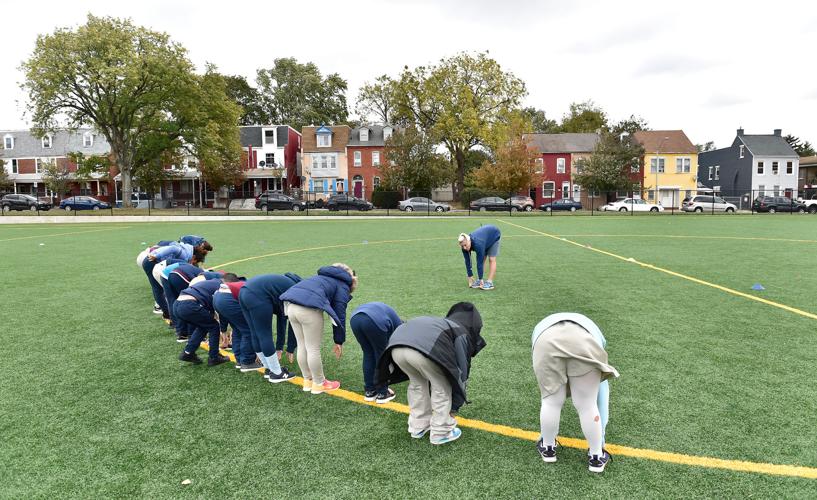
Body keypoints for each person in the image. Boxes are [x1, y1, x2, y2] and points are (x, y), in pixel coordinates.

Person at [375, 302, 486, 445]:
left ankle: (418, 427)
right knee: (441, 387)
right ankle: (441, 432)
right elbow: (462, 374)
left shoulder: (442, 323)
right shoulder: (461, 331)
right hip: (422, 350)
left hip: (395, 347)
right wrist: (455, 406)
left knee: (416, 384)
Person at [531, 313, 619, 473]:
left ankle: (548, 448)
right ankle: (596, 456)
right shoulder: (596, 336)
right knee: (587, 405)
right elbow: (602, 394)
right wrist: (601, 439)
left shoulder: (540, 327)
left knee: (551, 402)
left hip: (545, 341)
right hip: (585, 344)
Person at [280, 263, 357, 395]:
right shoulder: (342, 284)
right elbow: (340, 314)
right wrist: (339, 341)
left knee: (302, 345)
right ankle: (319, 384)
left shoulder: (320, 277)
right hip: (308, 309)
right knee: (313, 348)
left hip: (290, 307)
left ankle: (307, 382)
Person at [238, 273, 302, 383]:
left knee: (255, 333)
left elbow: (282, 319)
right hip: (257, 295)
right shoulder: (295, 291)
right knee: (264, 334)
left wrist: (280, 347)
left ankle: (269, 369)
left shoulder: (282, 283)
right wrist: (290, 348)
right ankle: (277, 373)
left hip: (243, 292)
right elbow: (293, 322)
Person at [176, 273, 238, 366]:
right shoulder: (221, 287)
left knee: (203, 327)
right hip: (189, 304)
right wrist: (223, 330)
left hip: (178, 304)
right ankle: (214, 357)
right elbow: (220, 309)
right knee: (214, 327)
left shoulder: (212, 282)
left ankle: (188, 353)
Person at [349, 302, 402, 403]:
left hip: (355, 319)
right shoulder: (399, 327)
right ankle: (383, 393)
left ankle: (370, 391)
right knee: (382, 356)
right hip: (373, 320)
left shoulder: (393, 318)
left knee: (368, 353)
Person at [144, 241, 208, 322]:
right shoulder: (185, 254)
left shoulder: (189, 251)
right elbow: (173, 248)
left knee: (169, 294)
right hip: (152, 261)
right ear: (194, 256)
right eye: (195, 262)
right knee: (165, 292)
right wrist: (157, 256)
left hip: (156, 262)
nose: (193, 263)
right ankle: (169, 315)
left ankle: (171, 315)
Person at [213, 279, 259, 375]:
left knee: (237, 329)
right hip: (227, 299)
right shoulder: (255, 289)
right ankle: (247, 361)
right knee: (248, 330)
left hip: (217, 297)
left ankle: (239, 360)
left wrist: (223, 330)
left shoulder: (245, 284)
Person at [458, 224, 501, 290]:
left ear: (469, 241)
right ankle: (480, 280)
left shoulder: (478, 244)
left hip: (494, 235)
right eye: (462, 246)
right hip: (484, 239)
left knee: (491, 259)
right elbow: (467, 261)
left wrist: (481, 279)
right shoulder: (464, 246)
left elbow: (479, 262)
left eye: (465, 245)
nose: (464, 247)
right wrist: (470, 275)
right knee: (483, 258)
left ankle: (490, 282)